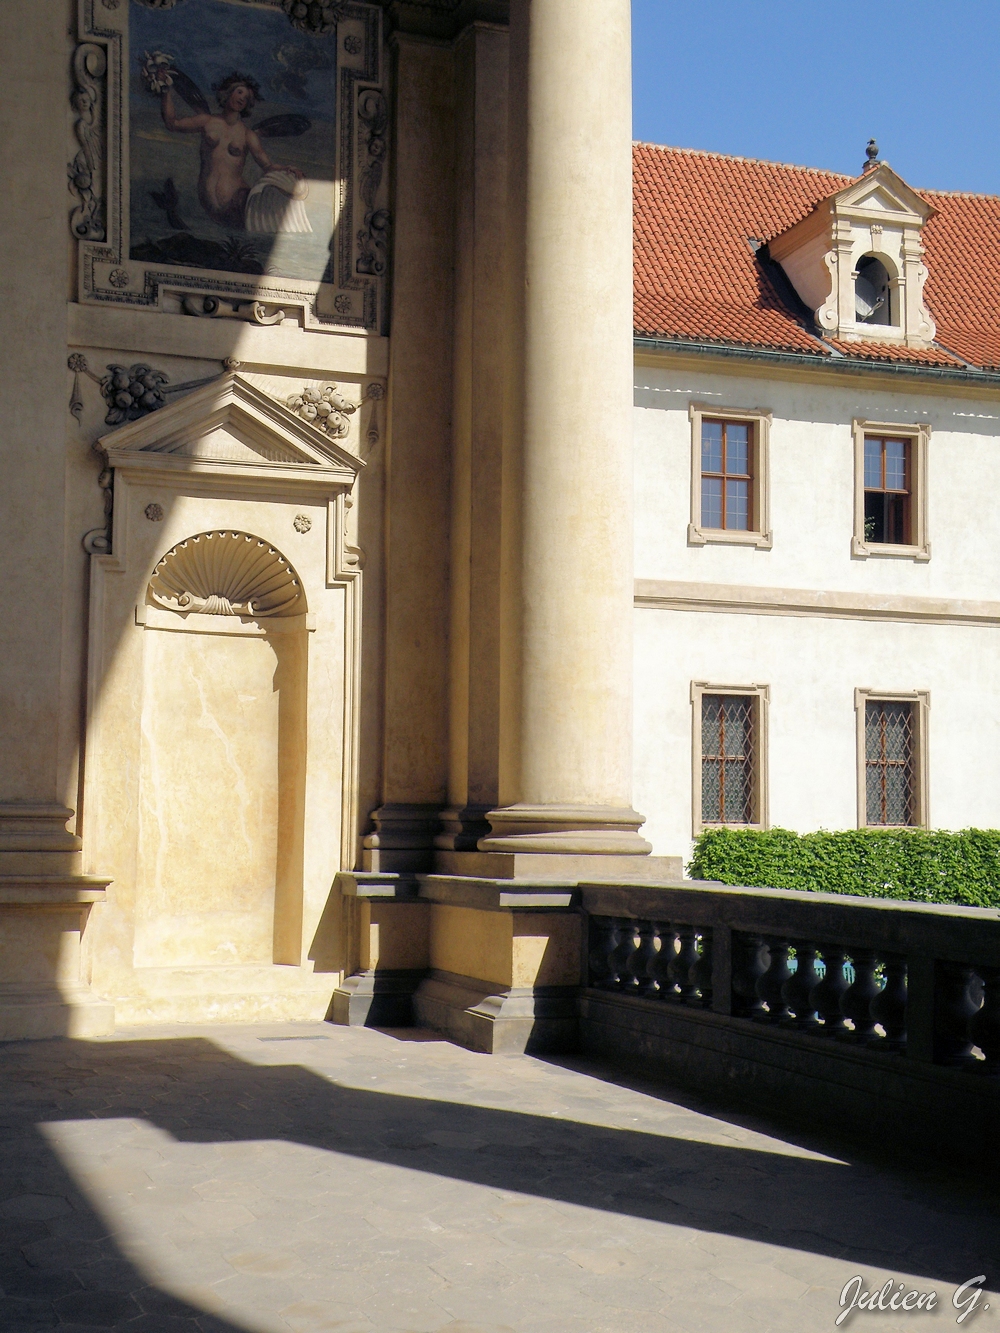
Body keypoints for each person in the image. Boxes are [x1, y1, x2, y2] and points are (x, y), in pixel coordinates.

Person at [157, 72, 302, 229]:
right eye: (239, 92)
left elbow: (267, 166)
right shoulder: (207, 121)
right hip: (210, 205)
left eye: (246, 98)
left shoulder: (248, 135)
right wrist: (166, 91)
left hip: (239, 204)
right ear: (228, 92)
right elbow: (172, 124)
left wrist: (287, 169)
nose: (242, 99)